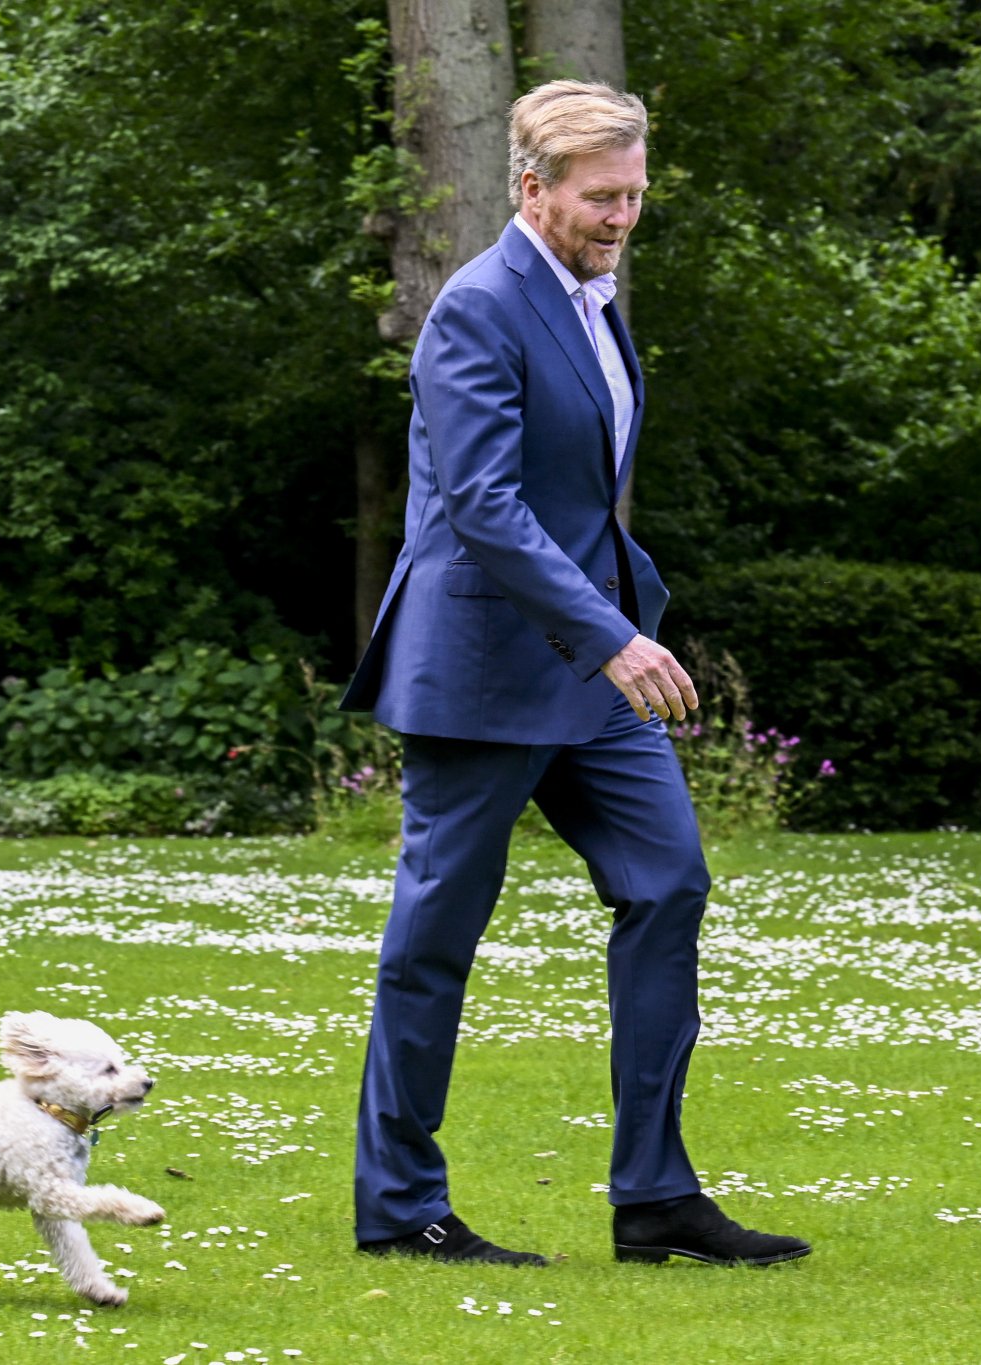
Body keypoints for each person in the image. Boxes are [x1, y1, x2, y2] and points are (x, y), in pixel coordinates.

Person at [341, 80, 809, 1269]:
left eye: (635, 195)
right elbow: (484, 508)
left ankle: (653, 1195)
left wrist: (612, 621)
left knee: (667, 883)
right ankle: (400, 1210)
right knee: (434, 938)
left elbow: (577, 486)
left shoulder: (595, 301)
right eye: (600, 197)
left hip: (587, 674)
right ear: (530, 187)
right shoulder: (477, 308)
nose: (620, 218)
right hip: (487, 666)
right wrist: (611, 633)